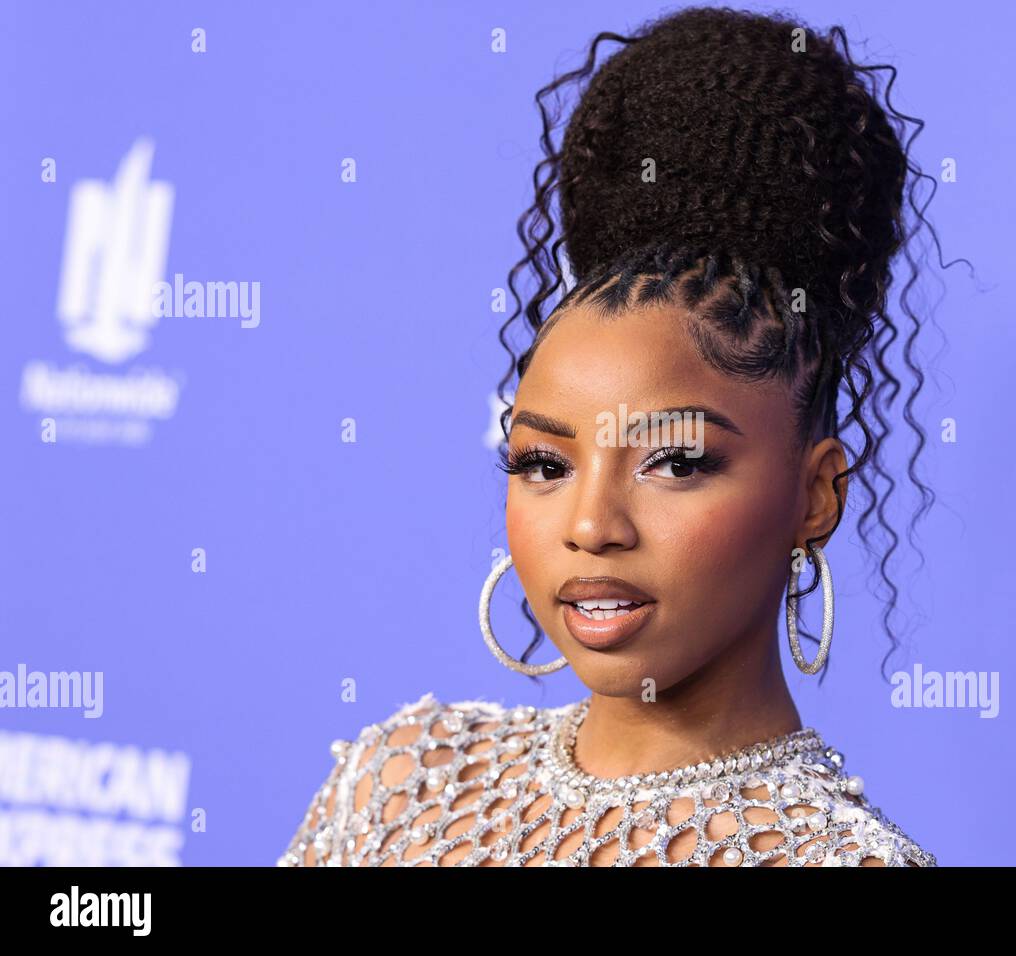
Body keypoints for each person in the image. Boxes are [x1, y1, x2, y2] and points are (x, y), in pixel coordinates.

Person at [281, 5, 948, 867]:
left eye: (674, 461)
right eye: (545, 463)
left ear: (817, 494)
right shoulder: (400, 782)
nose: (592, 524)